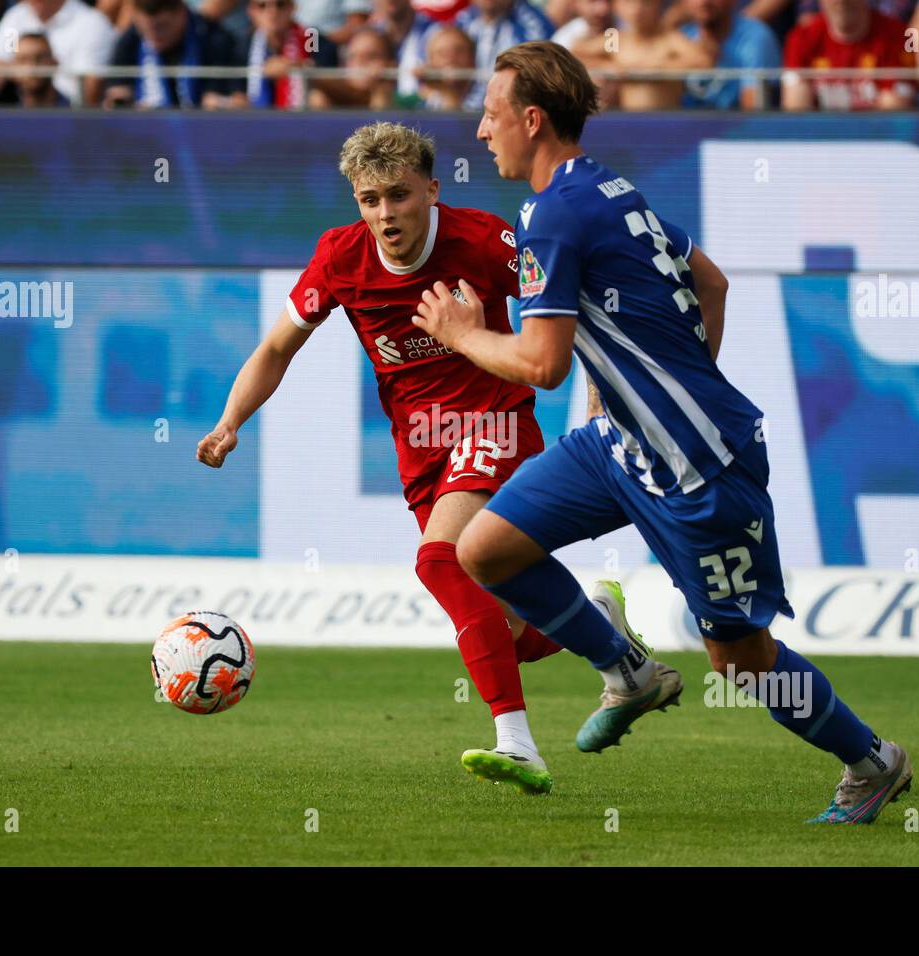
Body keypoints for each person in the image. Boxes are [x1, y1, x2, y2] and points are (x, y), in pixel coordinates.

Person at [412, 40, 913, 823]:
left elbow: (542, 366)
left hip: (700, 470)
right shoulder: (610, 190)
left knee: (738, 658)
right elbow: (709, 281)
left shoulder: (552, 212)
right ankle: (629, 669)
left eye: (491, 113)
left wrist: (462, 333)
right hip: (621, 448)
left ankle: (871, 761)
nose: (481, 130)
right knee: (482, 549)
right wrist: (657, 390)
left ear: (532, 119)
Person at [196, 122, 636, 796]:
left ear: (431, 190)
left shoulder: (486, 240)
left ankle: (516, 743)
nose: (385, 214)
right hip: (423, 456)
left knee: (438, 562)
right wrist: (230, 424)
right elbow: (277, 348)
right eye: (369, 199)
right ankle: (601, 629)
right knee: (510, 630)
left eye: (398, 196)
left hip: (498, 426)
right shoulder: (340, 258)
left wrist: (601, 398)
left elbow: (579, 305)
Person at [0, 0, 116, 106]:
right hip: (22, 109)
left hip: (67, 116)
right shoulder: (16, 19)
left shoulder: (91, 23)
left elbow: (88, 93)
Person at [571, 0, 714, 111]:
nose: (637, 9)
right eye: (629, 2)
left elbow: (703, 60)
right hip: (630, 122)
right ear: (617, 6)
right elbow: (574, 53)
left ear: (657, 5)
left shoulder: (669, 38)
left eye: (645, 2)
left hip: (667, 121)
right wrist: (609, 66)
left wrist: (660, 68)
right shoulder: (616, 39)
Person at [105, 0, 246, 109]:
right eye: (146, 28)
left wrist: (219, 103)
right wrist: (126, 106)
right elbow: (117, 94)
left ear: (181, 13)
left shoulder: (214, 40)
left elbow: (237, 99)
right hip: (146, 137)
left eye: (162, 26)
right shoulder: (131, 40)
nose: (154, 34)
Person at [782, 0, 916, 110]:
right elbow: (796, 109)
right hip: (822, 138)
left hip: (876, 138)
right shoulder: (801, 38)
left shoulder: (899, 36)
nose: (842, 2)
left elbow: (895, 110)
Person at [681, 0, 781, 109]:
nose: (704, 2)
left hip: (737, 125)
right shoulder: (680, 39)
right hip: (685, 125)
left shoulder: (754, 36)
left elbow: (753, 115)